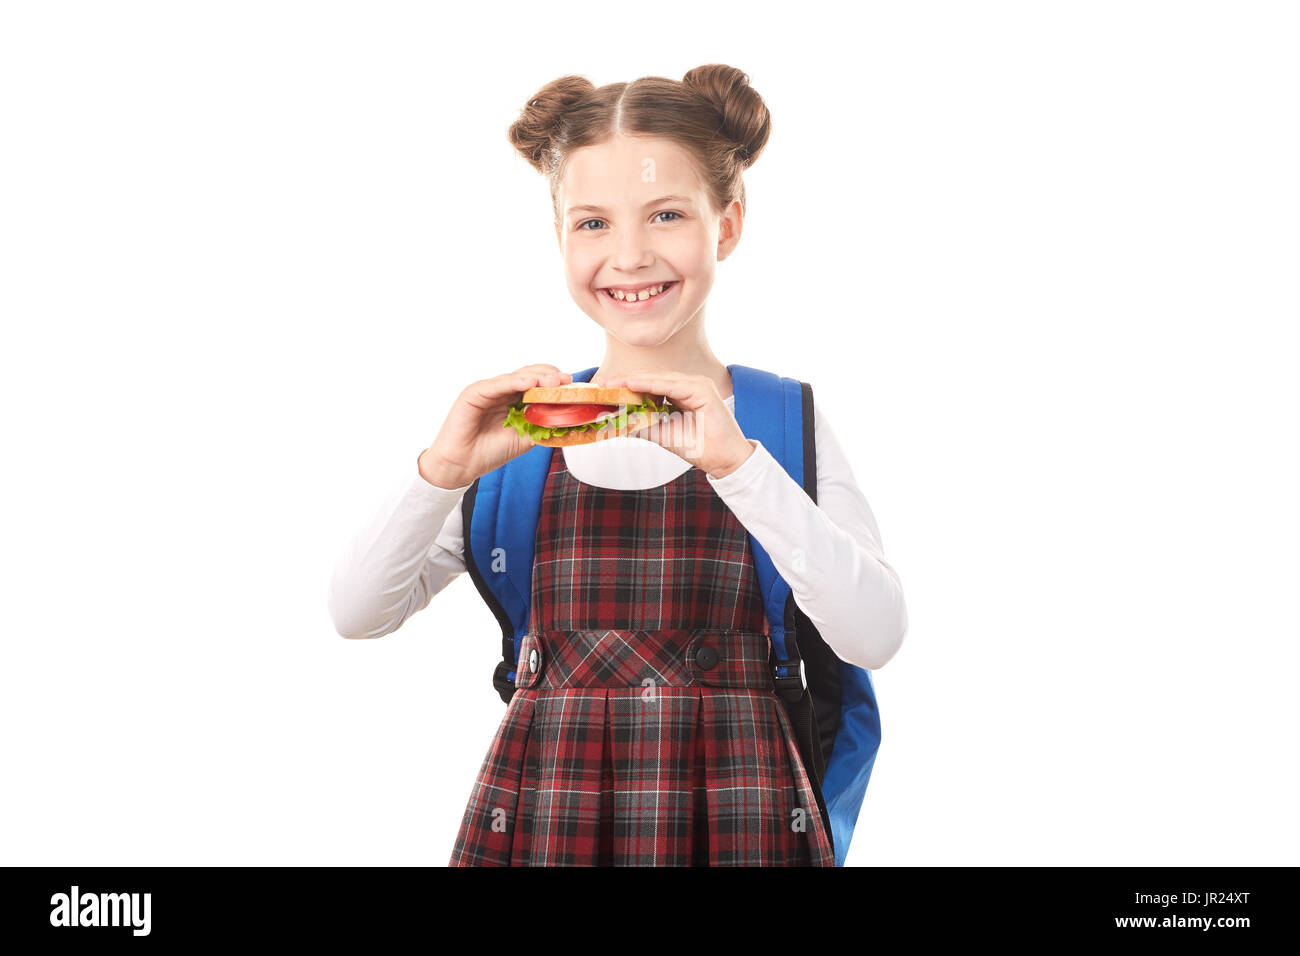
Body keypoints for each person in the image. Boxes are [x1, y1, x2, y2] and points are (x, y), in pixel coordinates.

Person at [328, 64, 908, 866]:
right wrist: (443, 470)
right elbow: (358, 611)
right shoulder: (517, 448)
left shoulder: (780, 426)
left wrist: (740, 467)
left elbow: (874, 634)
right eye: (592, 223)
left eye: (666, 214)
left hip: (740, 828)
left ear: (728, 225)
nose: (629, 256)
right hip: (545, 829)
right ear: (560, 237)